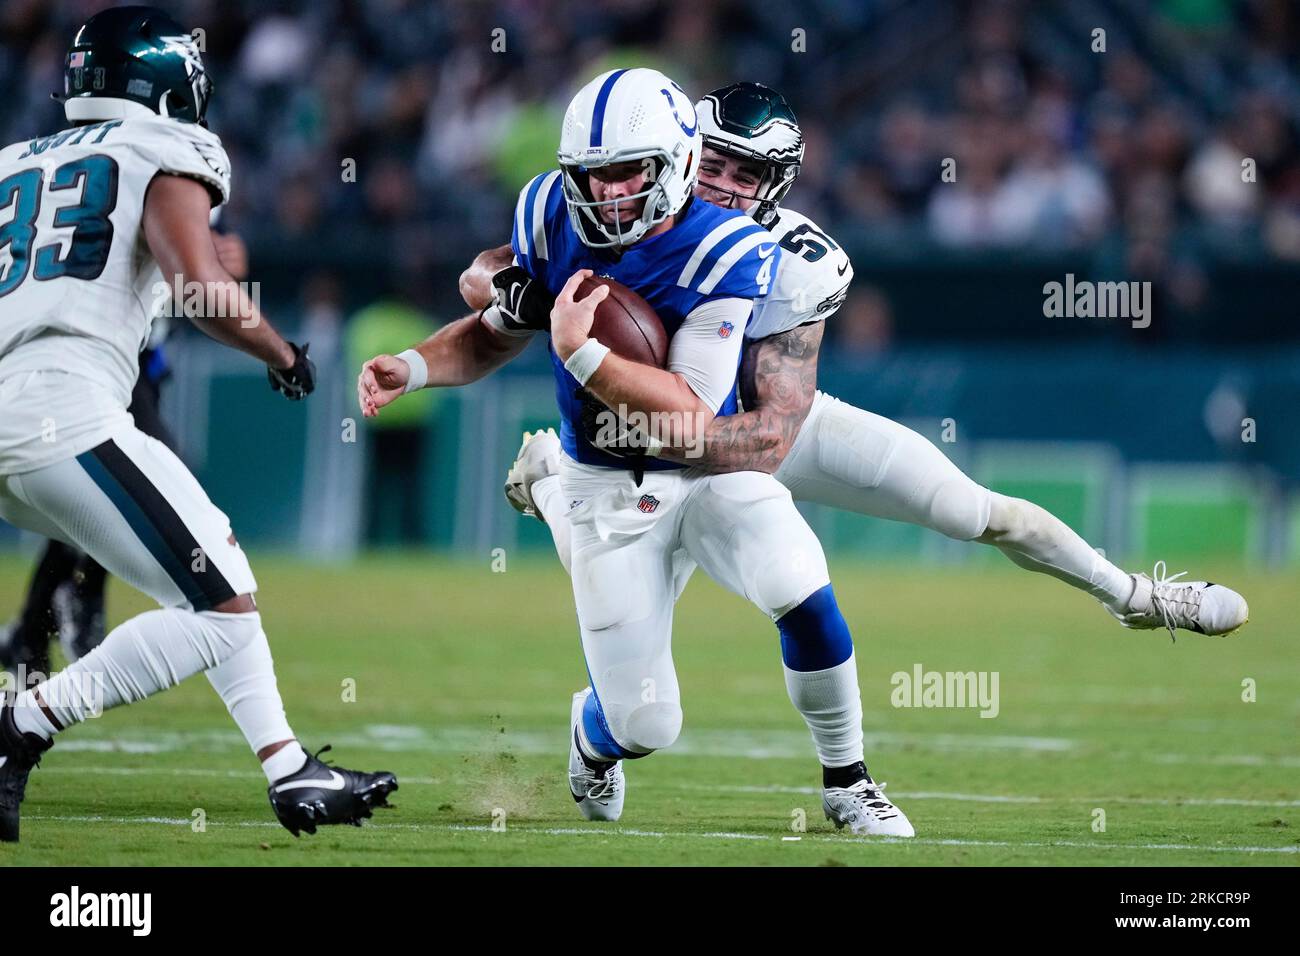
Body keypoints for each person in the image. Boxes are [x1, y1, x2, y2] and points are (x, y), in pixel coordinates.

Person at [479, 82, 1251, 646]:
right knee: (635, 665)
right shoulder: (624, 205)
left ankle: (1135, 596)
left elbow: (772, 436)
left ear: (775, 186)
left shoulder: (799, 261)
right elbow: (511, 265)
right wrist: (496, 289)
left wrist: (670, 424)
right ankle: (557, 495)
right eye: (711, 161)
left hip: (742, 432)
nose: (717, 184)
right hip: (643, 454)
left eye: (743, 175)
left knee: (970, 509)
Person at [359, 68, 913, 836]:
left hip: (709, 471)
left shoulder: (727, 247)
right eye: (592, 174)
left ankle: (849, 781)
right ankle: (593, 731)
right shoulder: (549, 210)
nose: (610, 192)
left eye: (628, 171)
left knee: (799, 582)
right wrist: (414, 366)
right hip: (606, 485)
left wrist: (581, 354)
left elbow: (687, 416)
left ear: (677, 163)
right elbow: (493, 333)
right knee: (648, 726)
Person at [0, 6, 396, 842]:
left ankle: (290, 770)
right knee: (216, 607)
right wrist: (281, 351)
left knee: (218, 568)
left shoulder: (11, 163)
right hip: (60, 406)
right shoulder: (162, 146)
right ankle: (21, 725)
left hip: (23, 405)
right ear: (166, 81)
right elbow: (199, 287)